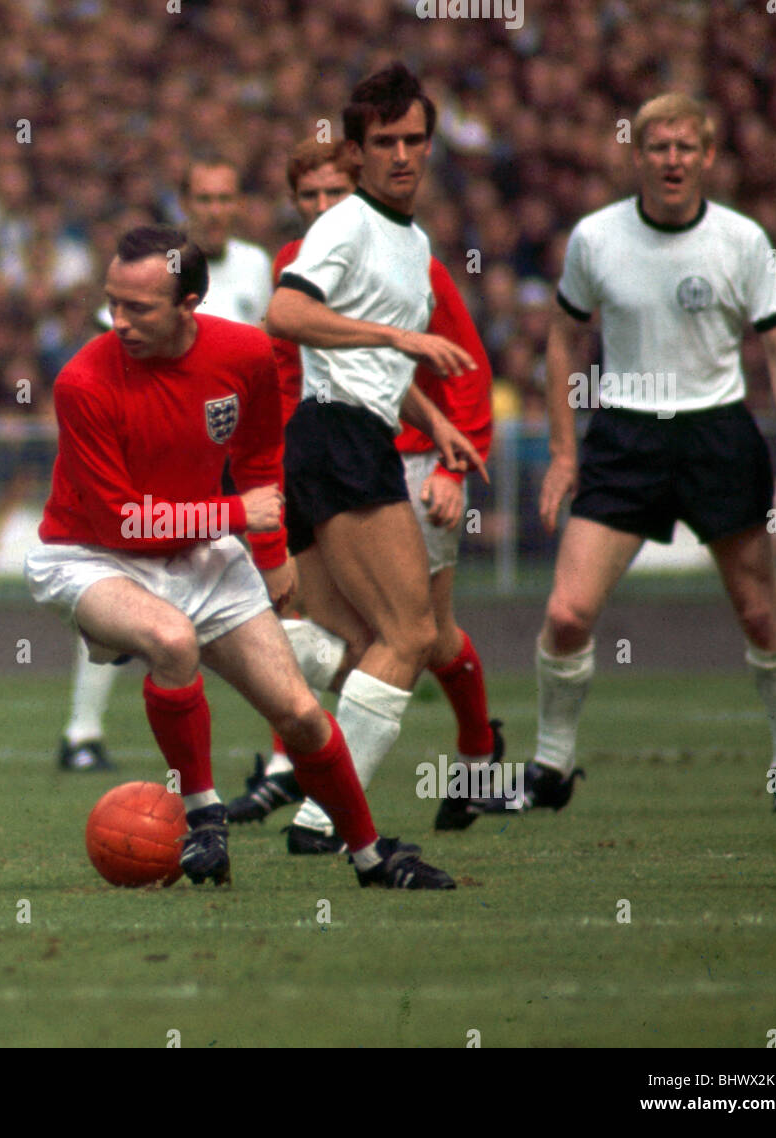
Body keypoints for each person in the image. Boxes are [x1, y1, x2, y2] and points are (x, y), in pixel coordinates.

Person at [25, 223, 458, 889]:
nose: (120, 321)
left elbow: (259, 456)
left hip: (202, 553)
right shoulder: (83, 381)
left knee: (302, 717)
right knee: (171, 640)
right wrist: (237, 516)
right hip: (94, 554)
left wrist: (273, 550)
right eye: (113, 303)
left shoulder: (246, 355)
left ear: (190, 302)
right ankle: (206, 822)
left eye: (138, 307)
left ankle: (371, 857)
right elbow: (121, 518)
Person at [519, 92, 776, 814]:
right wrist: (564, 452)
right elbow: (562, 337)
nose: (673, 160)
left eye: (686, 147)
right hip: (625, 437)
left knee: (760, 616)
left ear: (708, 157)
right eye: (659, 147)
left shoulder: (743, 241)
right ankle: (550, 770)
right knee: (565, 614)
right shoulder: (596, 237)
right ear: (638, 154)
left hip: (717, 434)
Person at [230, 136, 503, 843]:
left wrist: (448, 449)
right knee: (405, 637)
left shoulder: (411, 253)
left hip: (396, 453)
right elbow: (304, 340)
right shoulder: (306, 260)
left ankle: (471, 754)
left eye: (334, 193)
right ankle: (326, 805)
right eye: (309, 197)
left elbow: (458, 362)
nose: (323, 208)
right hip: (340, 450)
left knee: (386, 640)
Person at [59, 156, 274, 771]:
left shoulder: (257, 265)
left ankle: (282, 755)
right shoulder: (146, 279)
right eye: (203, 199)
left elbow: (260, 359)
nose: (216, 210)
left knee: (269, 590)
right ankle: (82, 729)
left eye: (226, 197)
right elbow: (120, 360)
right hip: (158, 448)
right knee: (121, 586)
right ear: (186, 205)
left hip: (230, 445)